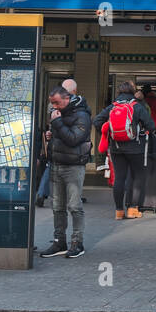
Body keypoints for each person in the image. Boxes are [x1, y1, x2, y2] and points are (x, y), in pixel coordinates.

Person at [38, 85, 93, 259]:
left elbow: (74, 139)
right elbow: (62, 135)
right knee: (57, 207)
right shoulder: (58, 114)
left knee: (75, 206)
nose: (54, 106)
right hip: (57, 164)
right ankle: (59, 241)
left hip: (74, 166)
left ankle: (77, 242)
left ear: (67, 98)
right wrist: (51, 135)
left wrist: (57, 124)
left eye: (56, 103)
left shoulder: (82, 115)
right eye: (52, 103)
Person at [93, 80, 156, 220]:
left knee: (119, 178)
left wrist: (107, 133)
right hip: (136, 148)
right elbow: (151, 126)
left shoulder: (112, 106)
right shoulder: (137, 106)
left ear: (119, 92)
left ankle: (119, 211)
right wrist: (142, 131)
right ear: (133, 92)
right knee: (137, 177)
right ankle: (133, 209)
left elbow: (97, 121)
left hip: (116, 148)